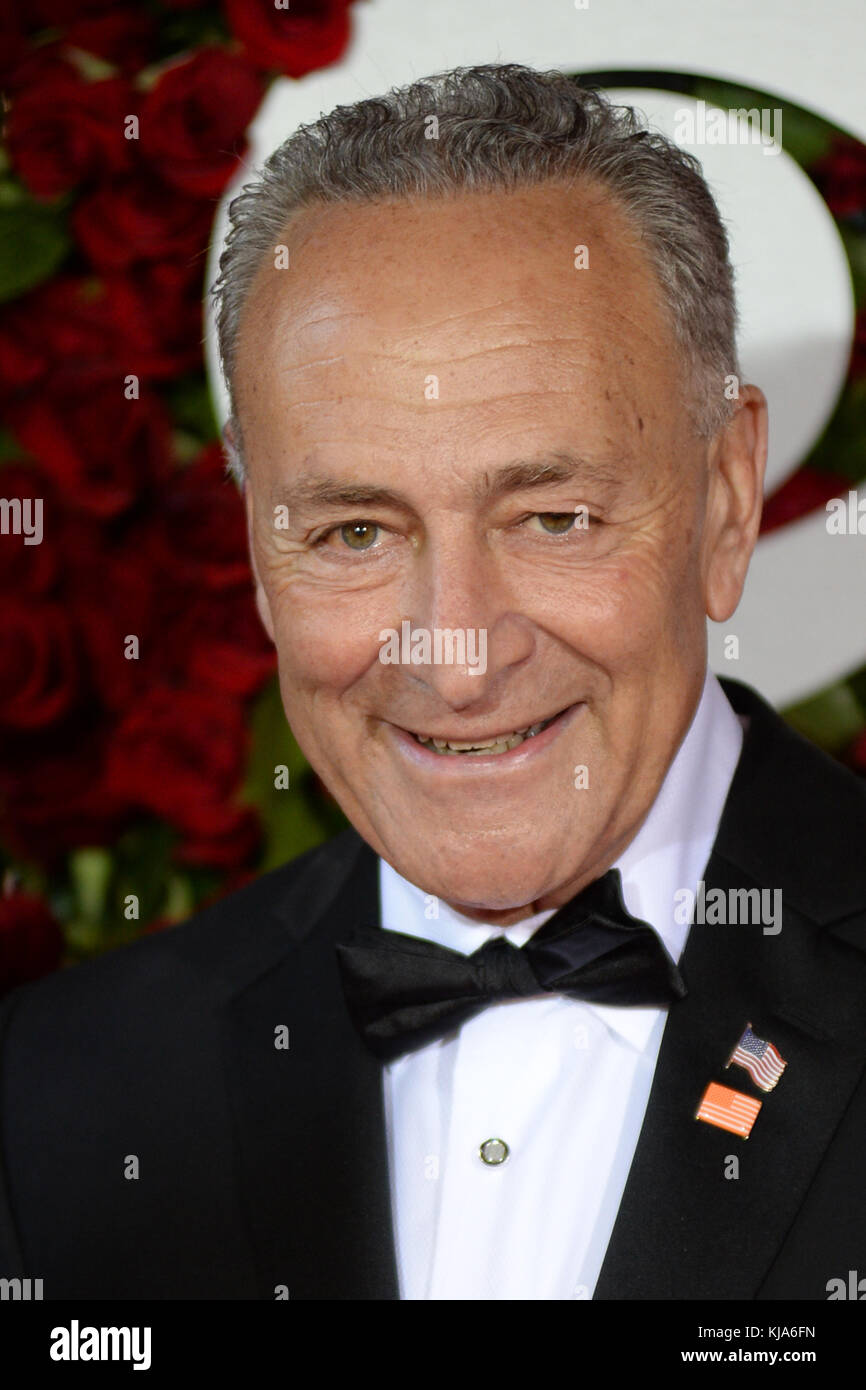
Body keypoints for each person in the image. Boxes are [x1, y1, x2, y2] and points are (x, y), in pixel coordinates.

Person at [1, 63, 864, 1302]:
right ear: (254, 548)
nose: (454, 656)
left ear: (724, 504)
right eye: (354, 532)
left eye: (551, 516)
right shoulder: (63, 1090)